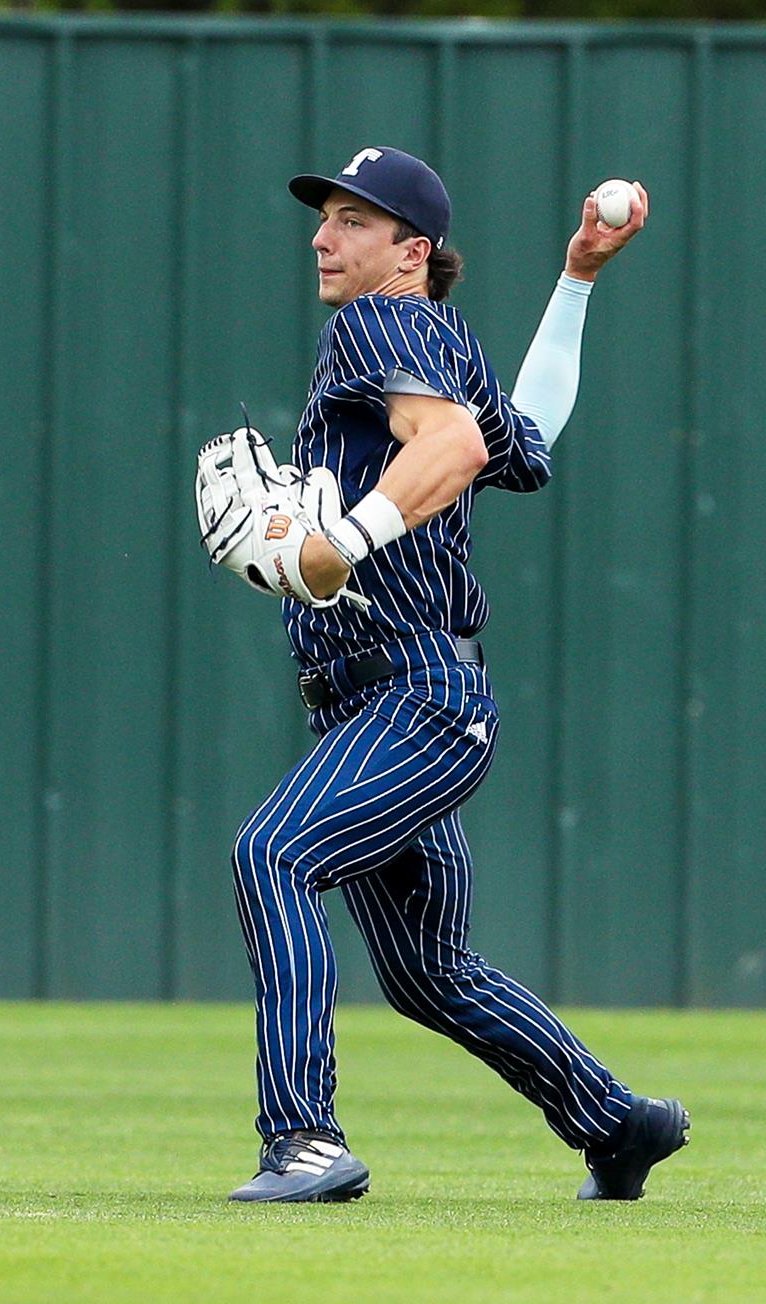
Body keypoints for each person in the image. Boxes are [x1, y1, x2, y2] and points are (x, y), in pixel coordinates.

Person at [193, 145, 685, 1204]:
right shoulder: (438, 337)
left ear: (410, 252)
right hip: (400, 699)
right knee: (428, 972)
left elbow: (458, 442)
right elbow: (529, 432)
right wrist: (577, 283)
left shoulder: (374, 325)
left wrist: (342, 541)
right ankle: (616, 1123)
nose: (323, 237)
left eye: (352, 223)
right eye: (323, 218)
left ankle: (303, 1141)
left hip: (409, 694)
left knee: (269, 854)